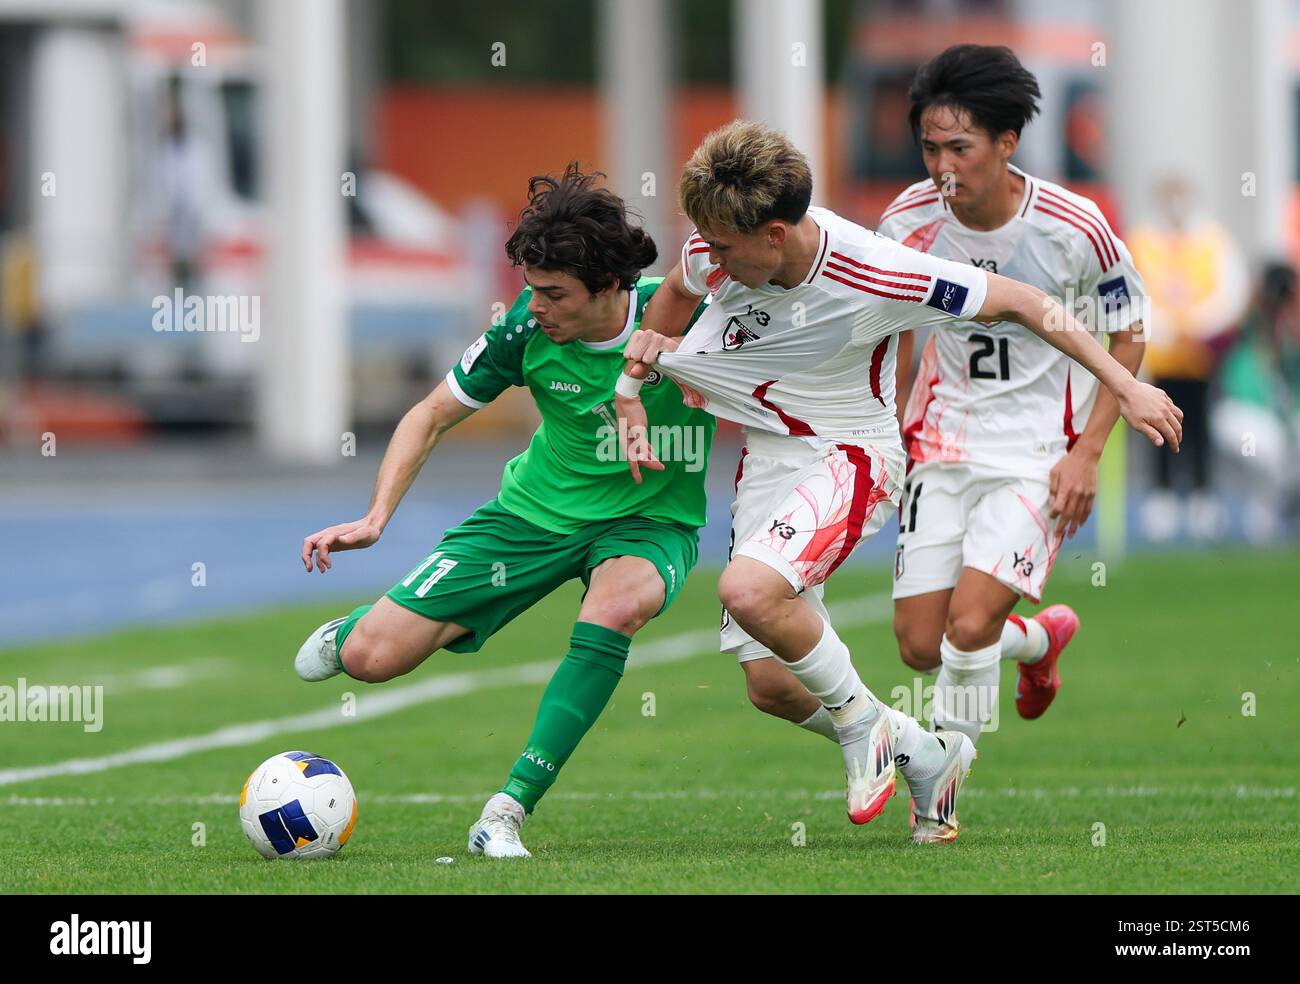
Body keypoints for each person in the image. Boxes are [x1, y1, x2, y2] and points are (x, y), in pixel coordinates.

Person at [615, 120, 1181, 843]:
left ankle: (862, 728)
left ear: (777, 234)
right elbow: (674, 301)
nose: (709, 258)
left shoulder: (879, 270)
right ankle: (928, 758)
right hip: (771, 456)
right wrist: (634, 386)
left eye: (725, 247)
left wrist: (1123, 388)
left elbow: (1024, 303)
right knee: (771, 685)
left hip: (852, 455)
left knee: (748, 590)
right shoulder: (714, 243)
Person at [295, 165, 715, 859]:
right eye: (530, 290)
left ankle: (505, 810)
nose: (536, 307)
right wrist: (375, 519)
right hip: (530, 517)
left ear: (611, 286)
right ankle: (351, 634)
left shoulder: (689, 319)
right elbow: (430, 415)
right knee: (374, 659)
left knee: (616, 606)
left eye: (554, 294)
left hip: (650, 522)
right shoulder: (522, 330)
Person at [877, 45, 1149, 755]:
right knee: (918, 645)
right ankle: (1038, 641)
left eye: (959, 148)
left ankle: (939, 790)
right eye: (930, 148)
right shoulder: (905, 225)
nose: (942, 167)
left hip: (1036, 454)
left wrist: (1087, 453)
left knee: (969, 627)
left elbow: (1130, 331)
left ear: (1006, 142)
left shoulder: (1073, 227)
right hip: (938, 444)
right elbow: (886, 336)